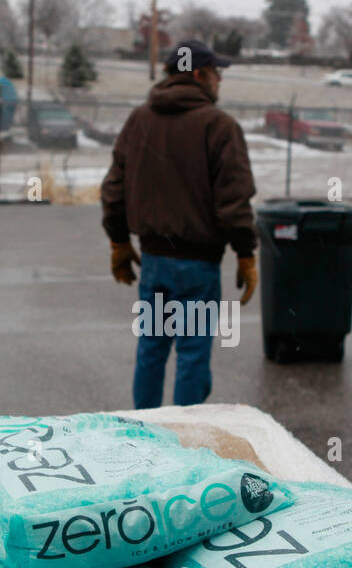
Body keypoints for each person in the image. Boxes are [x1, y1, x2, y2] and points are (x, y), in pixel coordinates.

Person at [100, 38, 259, 409]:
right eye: (217, 74)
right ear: (200, 75)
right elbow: (234, 200)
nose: (220, 81)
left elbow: (113, 189)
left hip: (154, 262)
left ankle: (146, 439)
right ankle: (185, 443)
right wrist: (246, 254)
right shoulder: (219, 126)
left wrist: (119, 242)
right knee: (191, 359)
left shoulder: (139, 120)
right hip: (197, 266)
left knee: (150, 354)